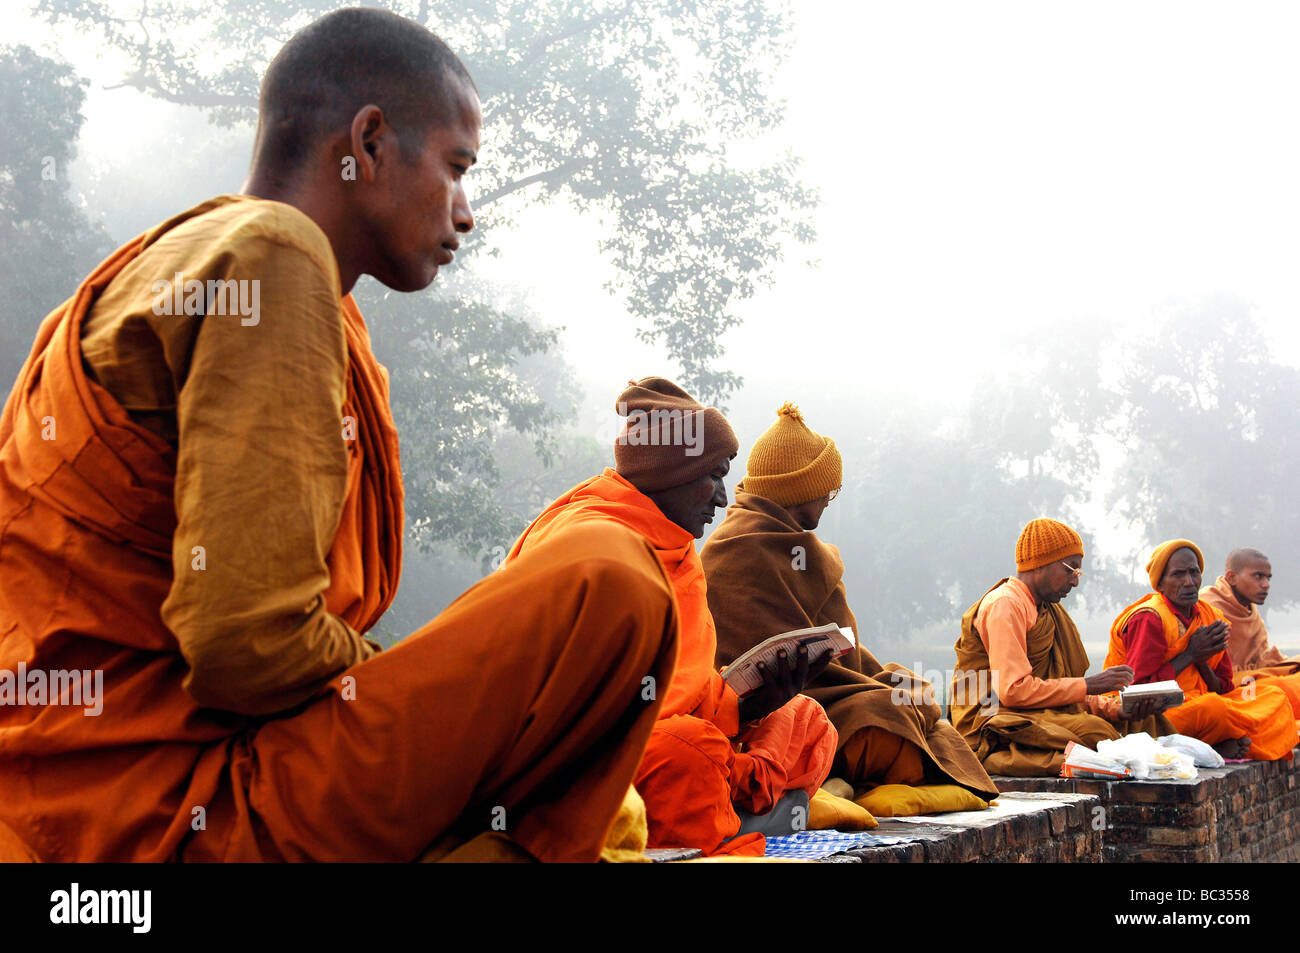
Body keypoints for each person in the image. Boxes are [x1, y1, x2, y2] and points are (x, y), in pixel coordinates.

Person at [0, 8, 682, 862]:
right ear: (369, 141)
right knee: (610, 582)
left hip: (65, 801)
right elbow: (247, 645)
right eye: (457, 167)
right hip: (171, 810)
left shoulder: (213, 264)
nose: (466, 213)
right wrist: (426, 695)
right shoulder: (269, 255)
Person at [505, 379, 838, 857]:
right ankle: (740, 815)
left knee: (807, 719)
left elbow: (686, 683)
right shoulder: (591, 538)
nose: (723, 499)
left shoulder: (677, 545)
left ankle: (736, 808)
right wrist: (707, 727)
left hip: (684, 728)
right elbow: (580, 705)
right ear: (670, 473)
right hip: (585, 752)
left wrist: (754, 702)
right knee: (688, 751)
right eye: (715, 476)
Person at [701, 403, 998, 801]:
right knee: (886, 722)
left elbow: (845, 653)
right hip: (772, 714)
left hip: (830, 695)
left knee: (908, 691)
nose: (828, 500)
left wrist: (881, 682)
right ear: (800, 490)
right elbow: (777, 672)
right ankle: (826, 777)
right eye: (826, 490)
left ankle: (835, 775)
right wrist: (874, 692)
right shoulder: (736, 549)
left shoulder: (803, 549)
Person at [951, 519, 1173, 776]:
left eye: (1078, 573)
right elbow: (1013, 691)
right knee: (1096, 734)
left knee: (1142, 719)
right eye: (1071, 570)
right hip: (994, 716)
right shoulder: (1005, 605)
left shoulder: (1046, 608)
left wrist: (1116, 708)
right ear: (1039, 564)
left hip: (1036, 710)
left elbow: (1060, 686)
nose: (1075, 582)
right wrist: (1089, 684)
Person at [1107, 540, 1296, 760]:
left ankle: (1208, 745)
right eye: (1178, 575)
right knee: (1213, 708)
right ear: (1160, 583)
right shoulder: (1150, 618)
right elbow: (1138, 692)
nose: (1188, 582)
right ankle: (1209, 747)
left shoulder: (1210, 617)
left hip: (1202, 703)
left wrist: (1202, 661)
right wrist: (1189, 655)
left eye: (1193, 573)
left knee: (1273, 697)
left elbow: (1223, 687)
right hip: (1150, 715)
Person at [1200, 548, 1300, 717]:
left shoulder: (1250, 610)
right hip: (1229, 686)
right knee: (1281, 689)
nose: (1266, 584)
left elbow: (1262, 661)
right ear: (1231, 577)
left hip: (1253, 679)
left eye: (1268, 577)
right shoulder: (1208, 607)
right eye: (1258, 576)